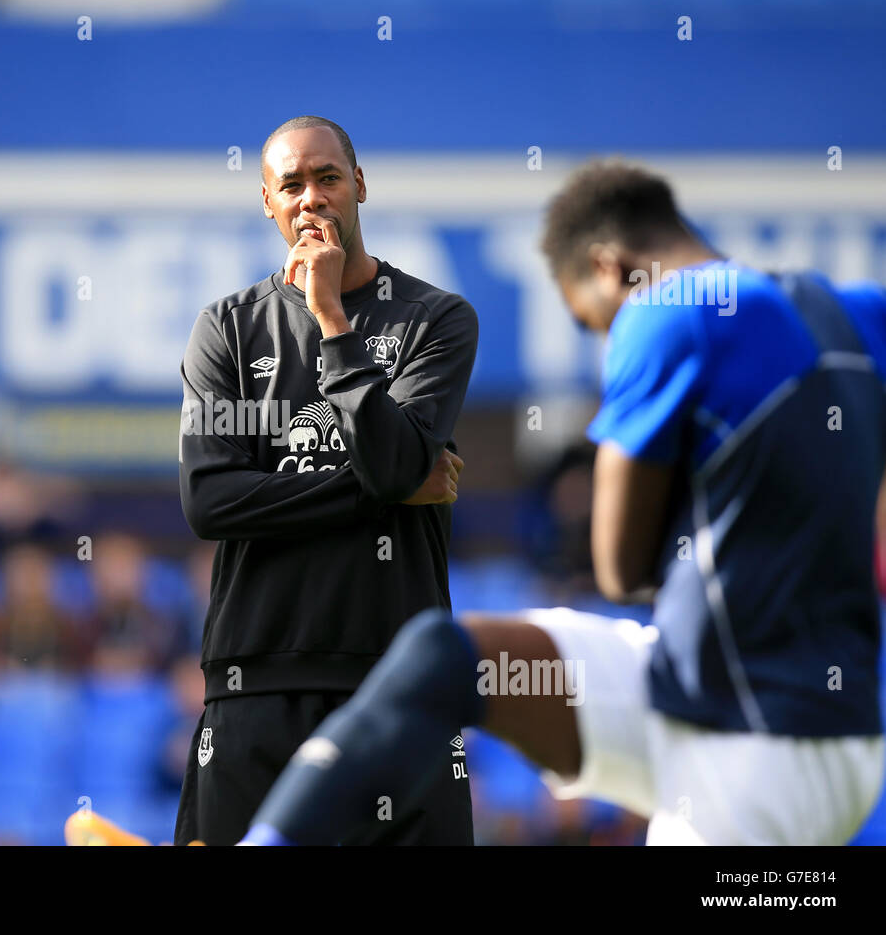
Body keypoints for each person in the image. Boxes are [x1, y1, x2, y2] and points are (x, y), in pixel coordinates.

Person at [240, 160, 886, 846]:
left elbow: (619, 566)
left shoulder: (666, 312)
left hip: (761, 754)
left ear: (611, 270)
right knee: (451, 656)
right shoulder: (859, 313)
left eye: (594, 322)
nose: (610, 339)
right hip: (725, 698)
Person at [176, 116, 479, 845]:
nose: (310, 199)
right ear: (269, 203)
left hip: (399, 683)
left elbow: (396, 461)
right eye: (291, 185)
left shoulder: (435, 319)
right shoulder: (226, 328)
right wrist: (385, 484)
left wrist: (331, 322)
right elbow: (210, 501)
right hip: (253, 684)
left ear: (360, 185)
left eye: (327, 178)